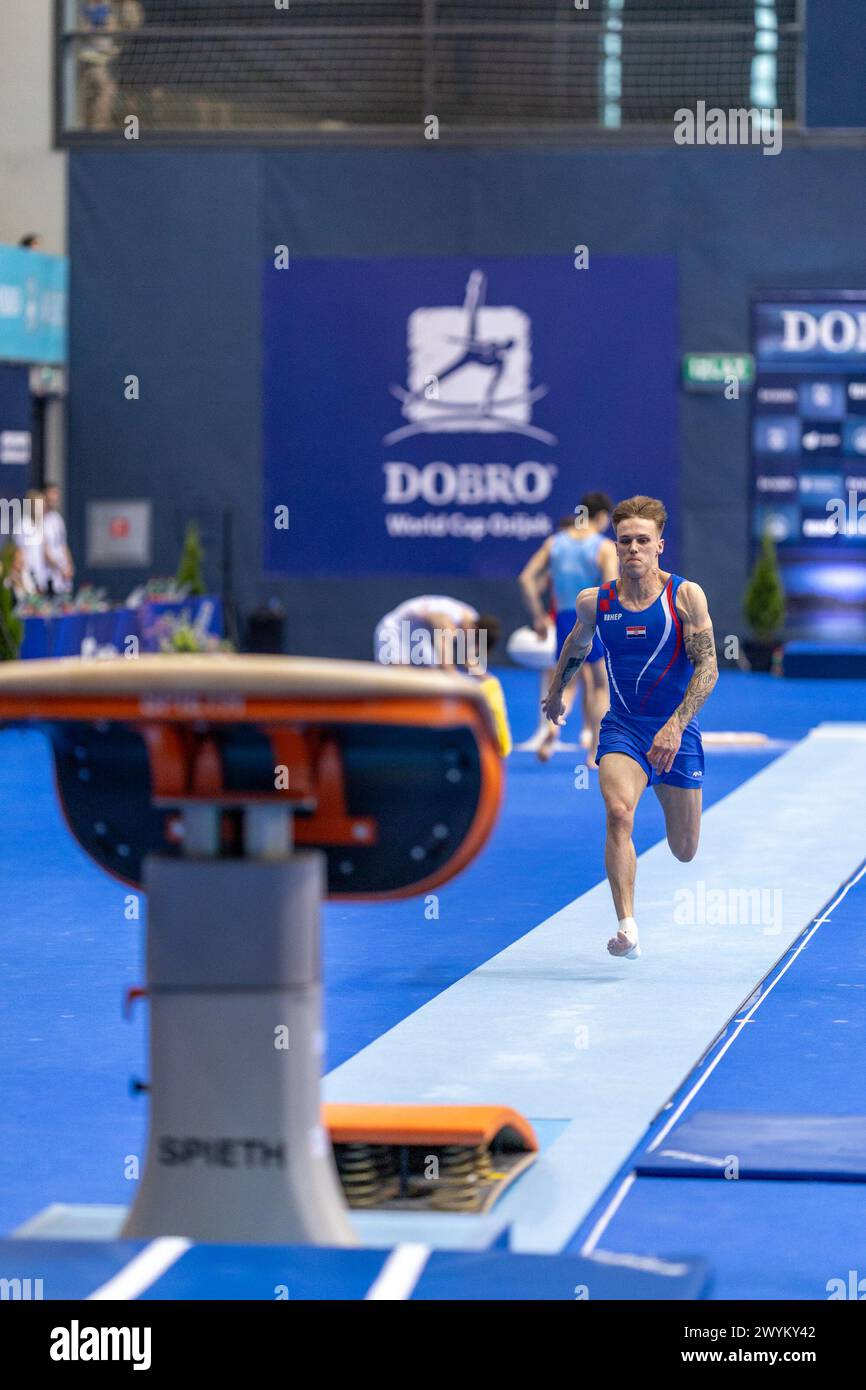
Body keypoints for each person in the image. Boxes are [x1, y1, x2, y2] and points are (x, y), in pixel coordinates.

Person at [542, 495, 718, 960]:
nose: (633, 548)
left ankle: (662, 779)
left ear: (660, 544)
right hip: (623, 728)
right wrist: (557, 691)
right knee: (619, 812)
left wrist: (676, 726)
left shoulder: (685, 596)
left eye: (643, 540)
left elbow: (708, 667)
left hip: (676, 731)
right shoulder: (595, 602)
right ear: (615, 545)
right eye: (625, 541)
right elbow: (576, 646)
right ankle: (628, 927)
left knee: (684, 849)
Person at [519, 492, 618, 765]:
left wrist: (539, 616)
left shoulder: (555, 543)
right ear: (601, 516)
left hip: (563, 617)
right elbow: (612, 588)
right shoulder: (603, 547)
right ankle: (594, 750)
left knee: (567, 679)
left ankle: (552, 727)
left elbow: (526, 578)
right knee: (599, 685)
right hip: (593, 616)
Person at [373, 595, 510, 756]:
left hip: (416, 636)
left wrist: (489, 680)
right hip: (393, 631)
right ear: (473, 629)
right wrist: (461, 685)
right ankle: (386, 730)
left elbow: (468, 661)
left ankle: (422, 730)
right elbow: (446, 665)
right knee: (401, 681)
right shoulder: (446, 619)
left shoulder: (471, 618)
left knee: (431, 679)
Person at [42, 485, 75, 595]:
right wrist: (60, 569)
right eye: (52, 493)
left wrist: (69, 566)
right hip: (49, 576)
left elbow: (63, 545)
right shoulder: (39, 520)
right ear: (45, 496)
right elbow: (45, 551)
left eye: (57, 494)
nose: (55, 497)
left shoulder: (57, 519)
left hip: (63, 576)